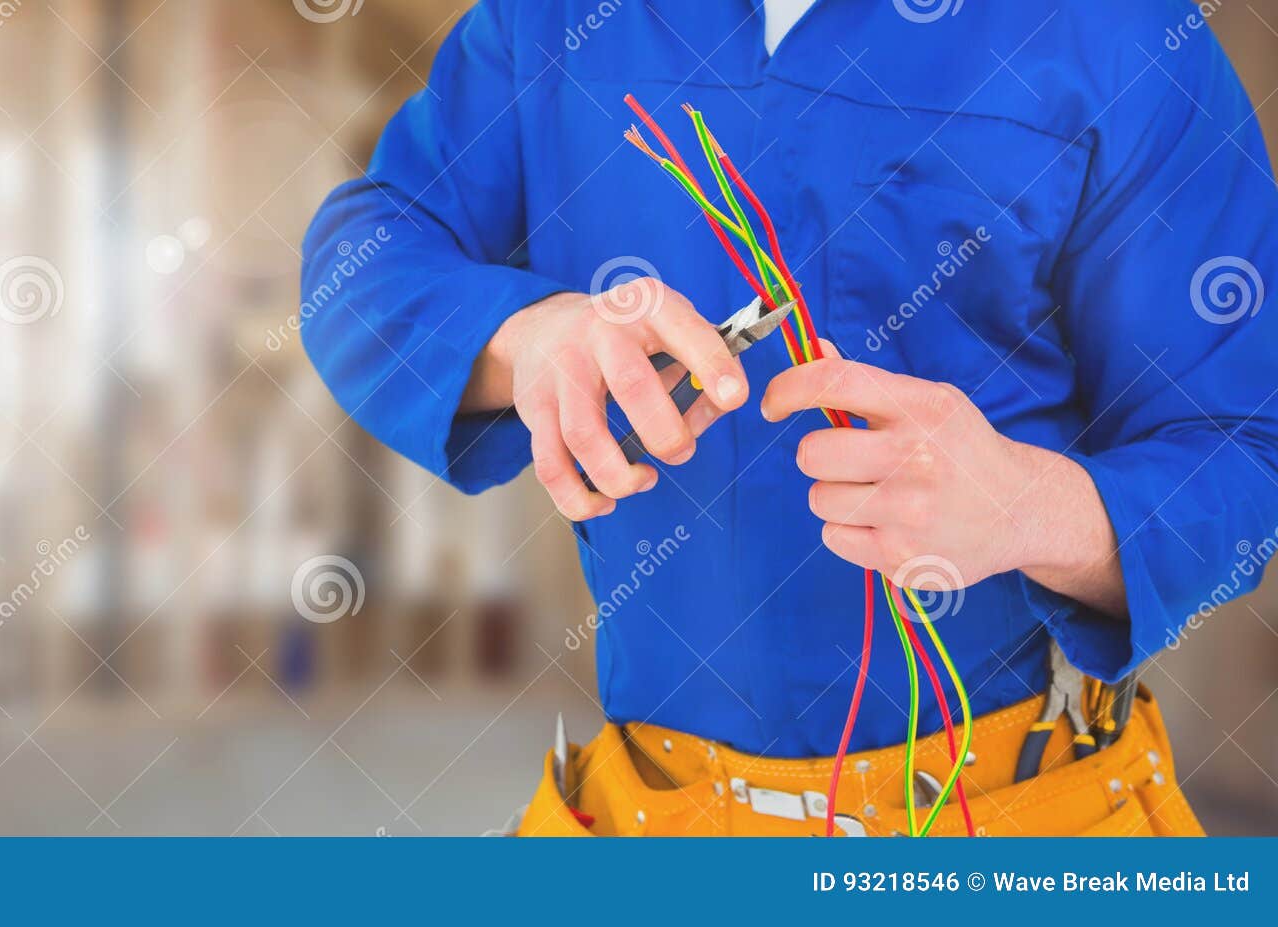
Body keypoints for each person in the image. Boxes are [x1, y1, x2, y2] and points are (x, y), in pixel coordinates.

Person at [300, 0, 1277, 835]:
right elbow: (365, 259)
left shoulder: (1119, 35)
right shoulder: (550, 22)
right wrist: (525, 336)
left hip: (1008, 814)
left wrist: (1028, 507)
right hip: (649, 815)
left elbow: (1241, 449)